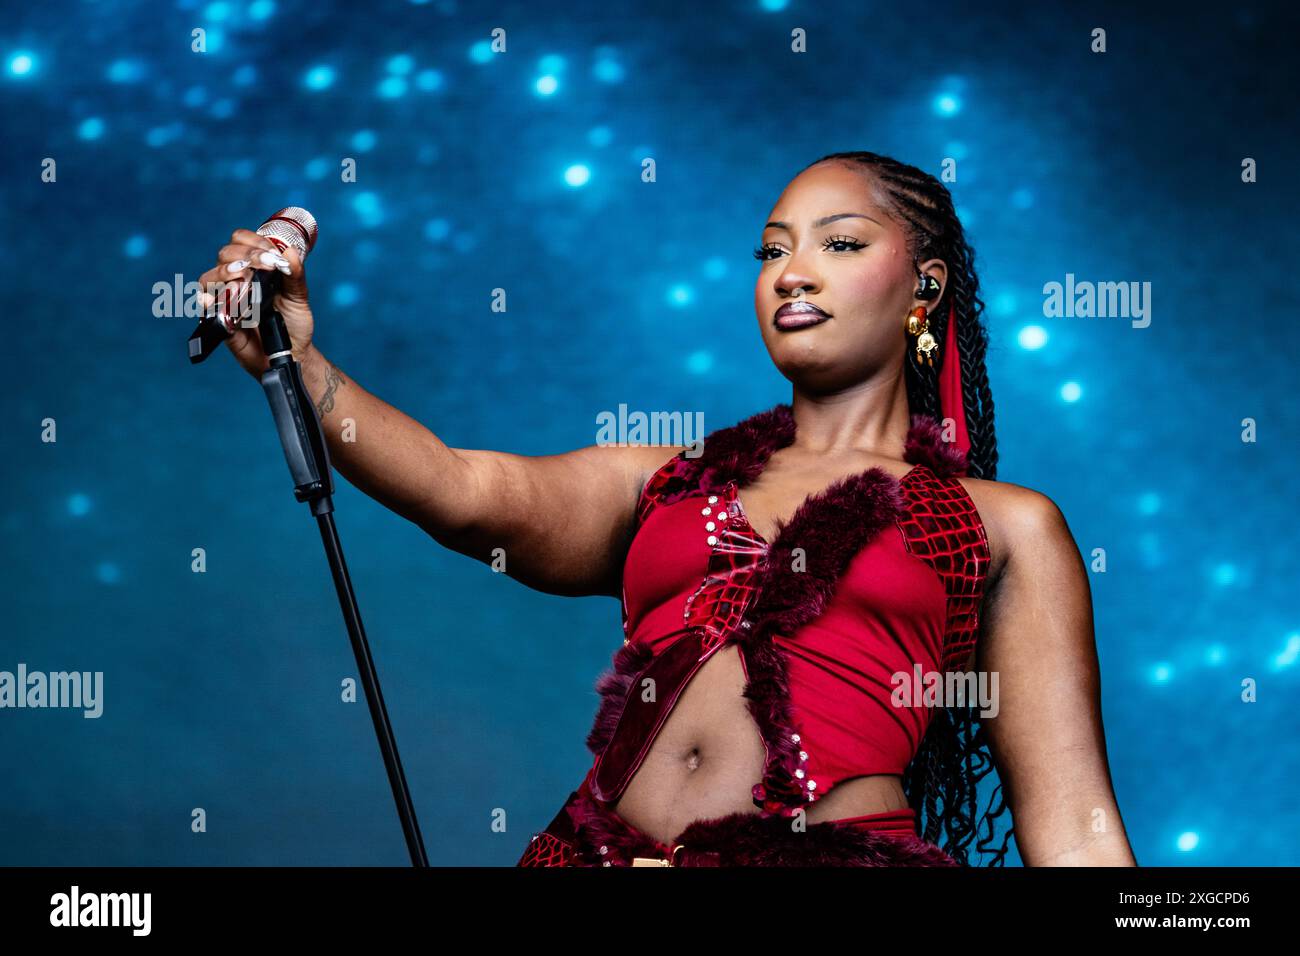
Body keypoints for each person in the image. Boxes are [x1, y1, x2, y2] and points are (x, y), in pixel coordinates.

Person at [198, 150, 1136, 867]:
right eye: (771, 251)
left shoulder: (1004, 524)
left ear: (924, 288)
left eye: (839, 244)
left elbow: (1080, 830)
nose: (791, 273)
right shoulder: (666, 479)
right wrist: (302, 367)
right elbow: (464, 492)